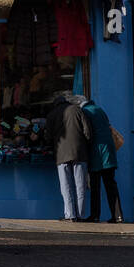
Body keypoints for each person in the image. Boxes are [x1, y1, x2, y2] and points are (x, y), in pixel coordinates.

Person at [45, 92, 92, 221]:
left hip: (61, 154)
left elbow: (48, 137)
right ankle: (80, 215)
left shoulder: (52, 115)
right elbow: (87, 132)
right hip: (79, 153)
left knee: (66, 186)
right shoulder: (78, 110)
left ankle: (70, 215)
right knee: (80, 185)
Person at [82, 97, 123, 221]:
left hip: (96, 153)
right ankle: (118, 216)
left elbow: (86, 132)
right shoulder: (100, 110)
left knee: (95, 186)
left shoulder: (85, 112)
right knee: (111, 185)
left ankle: (95, 215)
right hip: (109, 152)